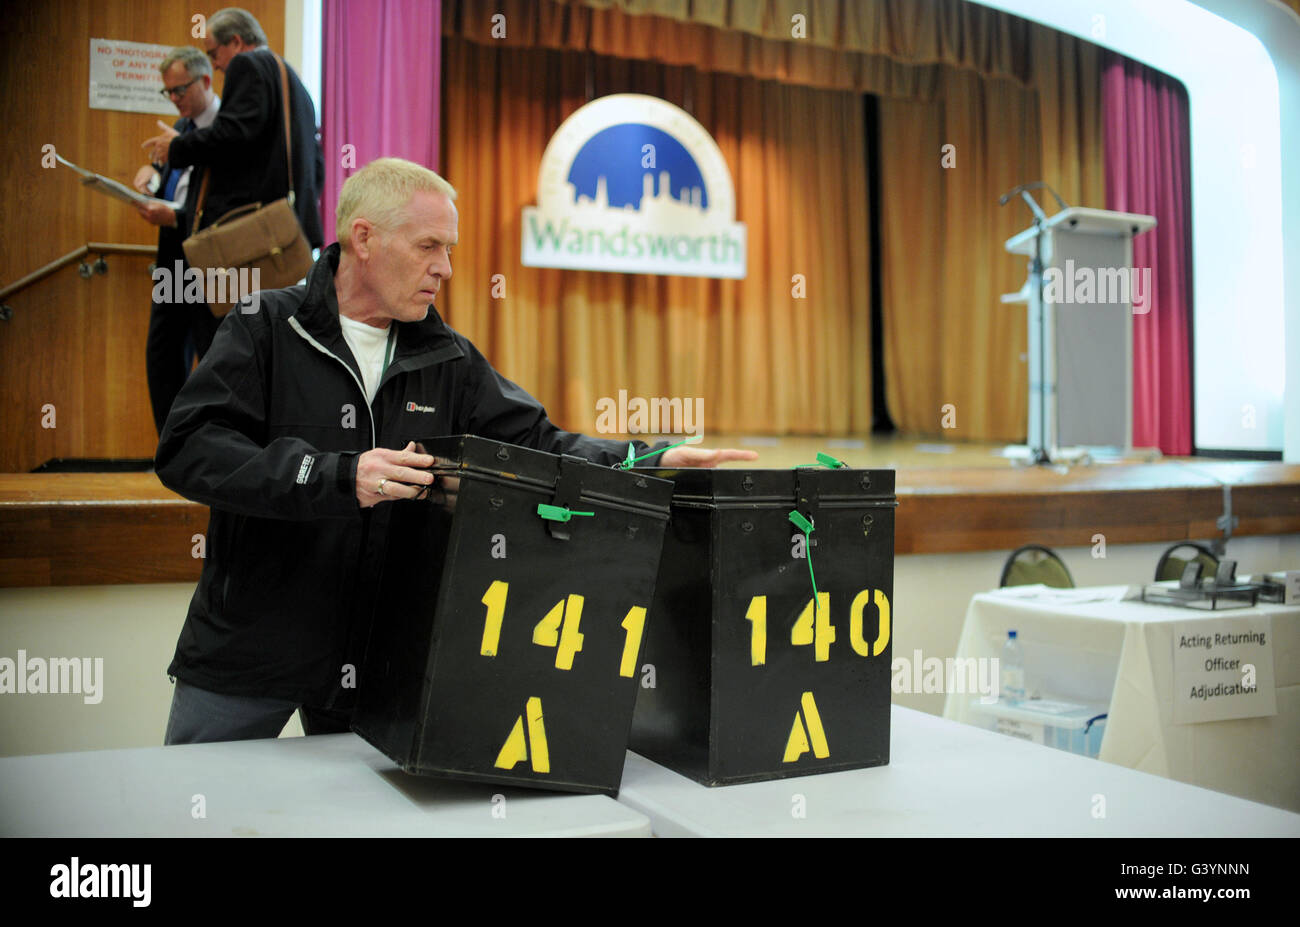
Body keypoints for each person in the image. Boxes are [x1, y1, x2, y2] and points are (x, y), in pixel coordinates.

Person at [155, 157, 756, 744]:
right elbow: (190, 447)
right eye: (428, 246)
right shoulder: (264, 326)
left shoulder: (451, 358)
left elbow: (540, 445)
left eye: (449, 250)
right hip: (248, 651)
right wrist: (335, 475)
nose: (444, 268)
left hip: (377, 665)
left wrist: (647, 461)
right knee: (193, 815)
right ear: (363, 238)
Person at [142, 7, 324, 249]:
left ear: (236, 42)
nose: (215, 66)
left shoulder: (247, 64)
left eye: (214, 54)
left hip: (252, 231)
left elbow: (230, 137)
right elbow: (317, 164)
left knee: (240, 289)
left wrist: (177, 147)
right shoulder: (292, 78)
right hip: (290, 229)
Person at [132, 46, 222, 435]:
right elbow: (167, 172)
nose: (174, 99)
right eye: (167, 92)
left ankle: (219, 448)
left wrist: (178, 215)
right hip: (173, 256)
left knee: (216, 354)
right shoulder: (182, 128)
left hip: (215, 260)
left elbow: (227, 203)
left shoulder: (228, 130)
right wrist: (150, 177)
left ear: (205, 81)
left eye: (180, 90)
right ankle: (172, 449)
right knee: (164, 353)